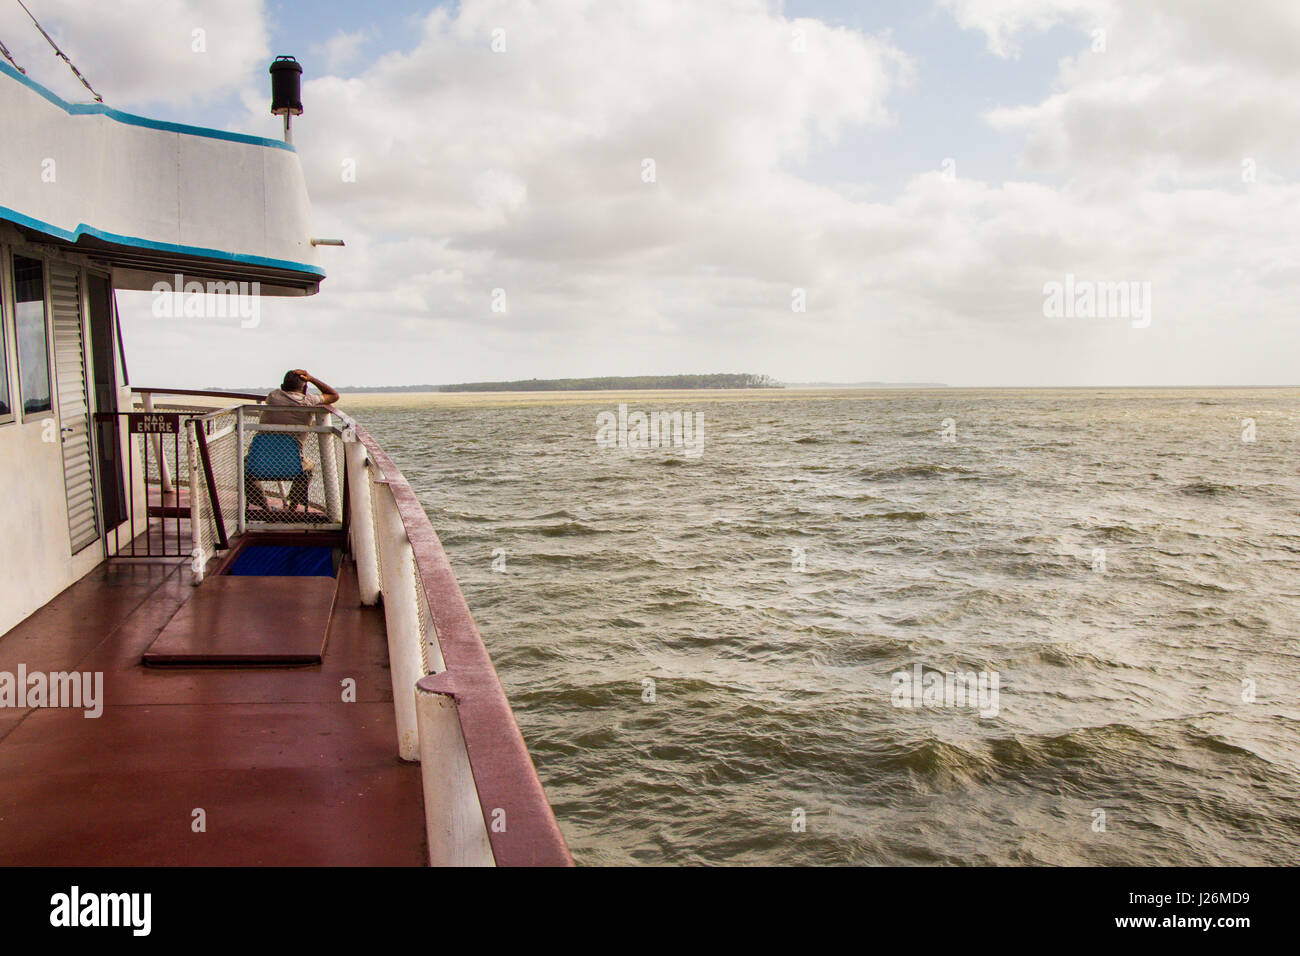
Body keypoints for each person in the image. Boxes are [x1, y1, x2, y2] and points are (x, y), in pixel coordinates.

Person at [244, 370, 340, 513]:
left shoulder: (273, 396)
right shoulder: (308, 401)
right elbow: (334, 395)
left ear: (283, 386)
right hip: (292, 463)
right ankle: (292, 508)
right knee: (308, 468)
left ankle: (264, 507)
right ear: (305, 388)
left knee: (246, 468)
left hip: (258, 460)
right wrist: (311, 378)